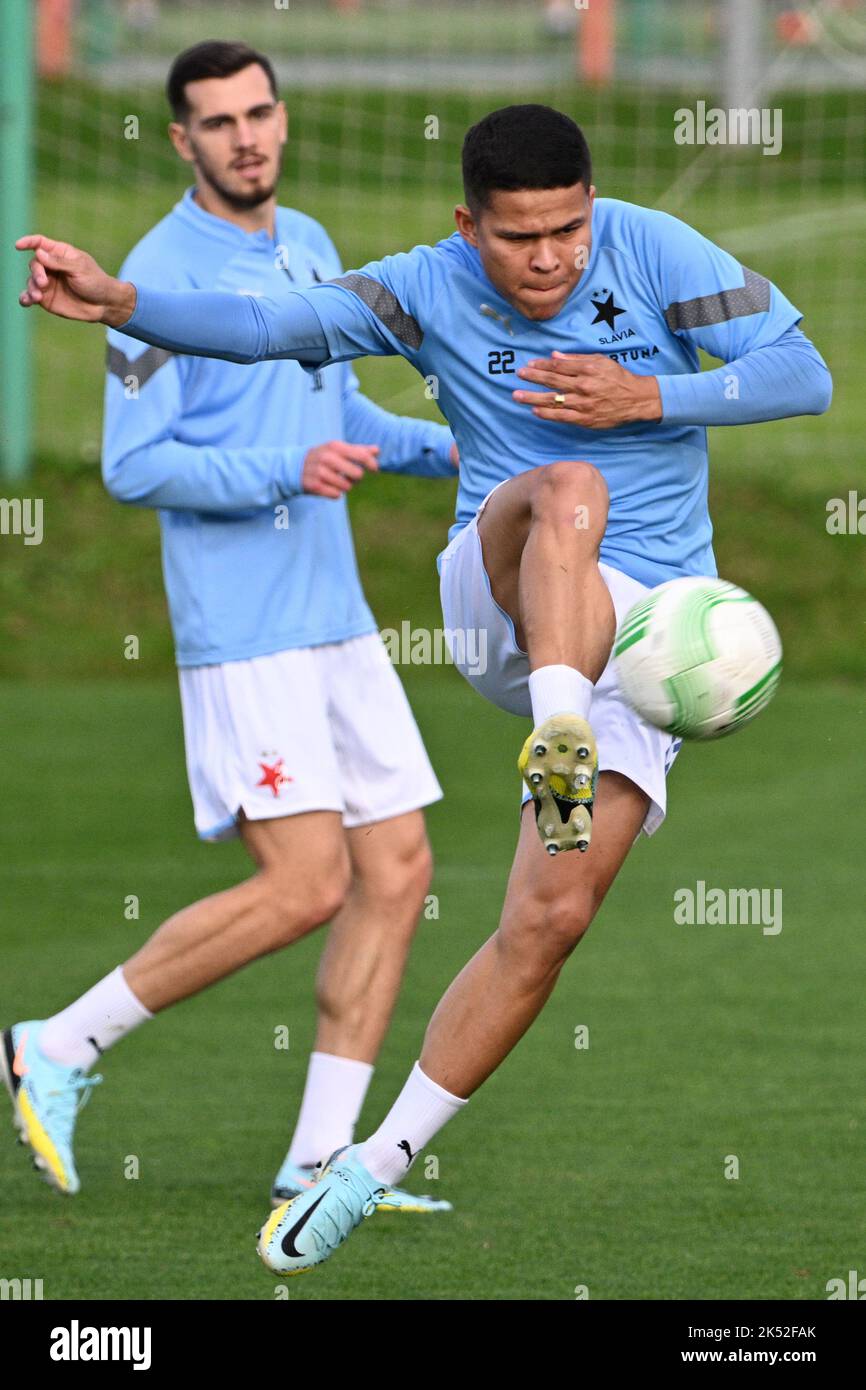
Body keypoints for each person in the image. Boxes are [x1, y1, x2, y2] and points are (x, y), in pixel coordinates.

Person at [15, 103, 832, 1276]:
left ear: (590, 208)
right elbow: (264, 326)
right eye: (516, 238)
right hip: (502, 591)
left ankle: (366, 1163)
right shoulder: (422, 285)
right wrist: (124, 302)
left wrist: (648, 398)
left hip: (640, 637)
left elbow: (799, 374)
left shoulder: (654, 250)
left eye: (565, 231)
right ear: (467, 226)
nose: (547, 259)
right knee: (562, 488)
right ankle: (556, 731)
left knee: (546, 921)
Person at [3, 41, 459, 1219]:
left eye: (259, 112)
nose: (244, 136)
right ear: (181, 141)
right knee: (305, 882)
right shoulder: (150, 276)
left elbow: (337, 405)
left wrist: (447, 450)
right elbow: (134, 460)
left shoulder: (306, 241)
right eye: (217, 122)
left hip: (338, 618)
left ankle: (316, 1162)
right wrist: (279, 467)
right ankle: (57, 1042)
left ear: (283, 117)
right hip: (245, 628)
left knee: (396, 869)